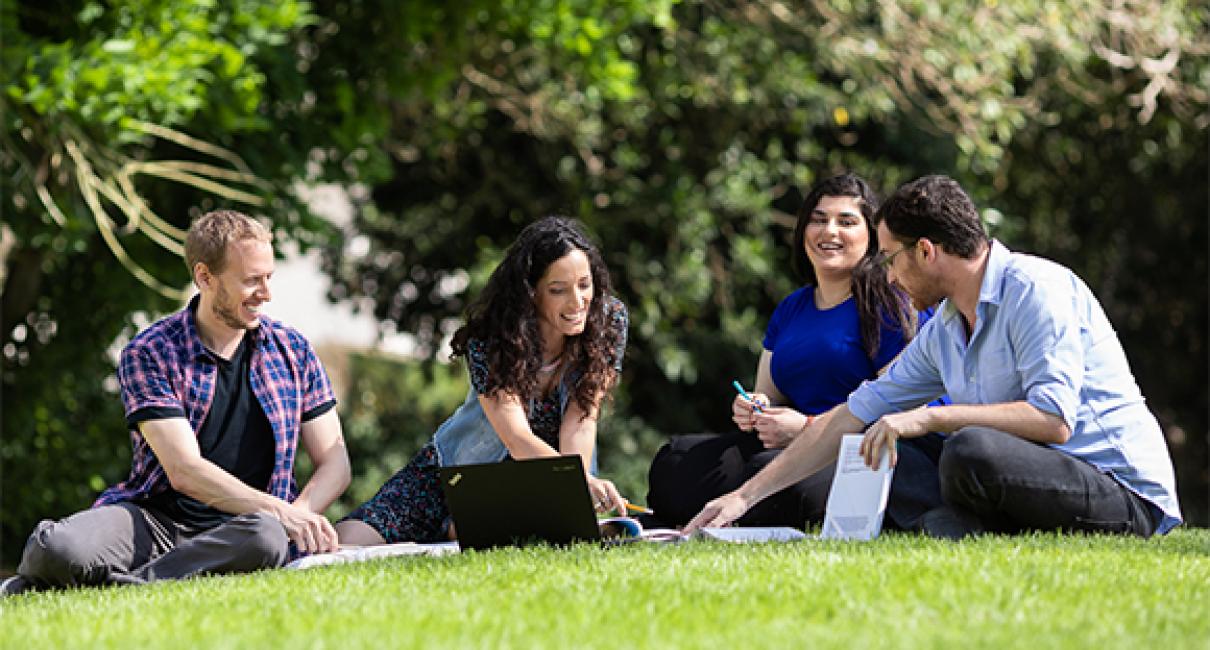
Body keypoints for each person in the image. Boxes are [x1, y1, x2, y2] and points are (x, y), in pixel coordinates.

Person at [685, 175, 1182, 539]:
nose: (888, 274)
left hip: (1120, 492)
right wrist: (743, 496)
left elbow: (1053, 420)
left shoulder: (1037, 289)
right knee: (879, 445)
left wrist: (926, 416)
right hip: (1030, 482)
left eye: (890, 257)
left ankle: (956, 525)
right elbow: (854, 412)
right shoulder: (944, 326)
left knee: (967, 448)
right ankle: (957, 528)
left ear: (925, 251)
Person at [3, 210, 350, 596]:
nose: (266, 294)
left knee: (266, 539)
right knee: (58, 549)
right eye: (252, 280)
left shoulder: (293, 350)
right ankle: (152, 575)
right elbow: (184, 470)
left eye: (268, 278)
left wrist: (297, 516)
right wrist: (282, 513)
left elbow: (335, 462)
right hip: (155, 520)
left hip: (248, 528)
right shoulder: (150, 352)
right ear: (204, 277)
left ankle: (116, 586)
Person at [646, 172, 943, 529]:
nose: (829, 231)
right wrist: (753, 408)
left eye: (846, 222)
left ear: (871, 237)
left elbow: (898, 406)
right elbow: (768, 395)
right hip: (781, 448)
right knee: (675, 459)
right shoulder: (792, 308)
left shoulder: (888, 304)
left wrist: (807, 427)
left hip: (852, 451)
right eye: (819, 220)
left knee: (770, 479)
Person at [336, 216, 630, 546]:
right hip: (461, 470)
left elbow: (581, 421)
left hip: (543, 483)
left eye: (585, 284)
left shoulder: (608, 321)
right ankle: (453, 525)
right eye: (558, 290)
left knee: (516, 534)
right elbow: (516, 436)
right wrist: (575, 482)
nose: (577, 302)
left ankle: (462, 528)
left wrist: (575, 485)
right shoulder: (492, 337)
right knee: (348, 540)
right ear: (531, 293)